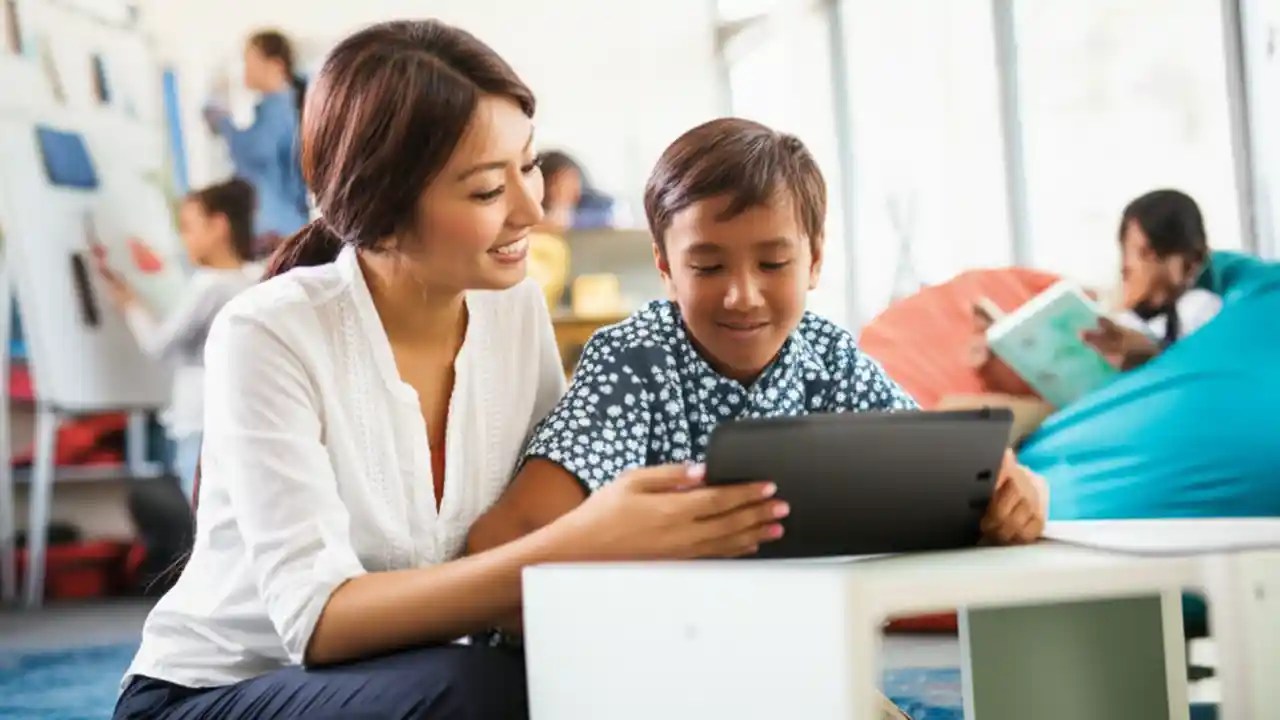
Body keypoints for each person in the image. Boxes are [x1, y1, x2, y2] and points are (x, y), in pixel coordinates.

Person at [114, 21, 787, 720]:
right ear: (384, 211)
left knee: (610, 672)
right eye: (488, 190)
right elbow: (319, 623)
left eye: (528, 165)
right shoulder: (267, 332)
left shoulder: (514, 309)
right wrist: (579, 542)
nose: (531, 209)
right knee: (487, 690)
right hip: (213, 695)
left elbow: (536, 530)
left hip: (410, 677)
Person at [97, 179, 261, 499]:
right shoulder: (251, 279)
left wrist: (129, 303)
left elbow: (158, 345)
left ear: (218, 226)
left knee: (199, 508)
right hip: (234, 417)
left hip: (199, 418)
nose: (183, 239)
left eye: (188, 228)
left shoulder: (211, 285)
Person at [1082, 189, 1222, 370]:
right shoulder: (1124, 323)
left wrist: (1152, 354)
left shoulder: (1198, 309)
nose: (1126, 268)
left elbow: (1206, 371)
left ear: (1190, 261)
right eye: (1126, 251)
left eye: (1145, 253)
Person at [204, 30, 309, 254]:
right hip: (280, 227)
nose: (245, 69)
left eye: (249, 61)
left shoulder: (282, 110)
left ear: (276, 65)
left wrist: (222, 122)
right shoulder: (273, 109)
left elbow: (254, 153)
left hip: (277, 230)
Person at [536, 149, 618, 230]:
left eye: (572, 180)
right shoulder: (537, 208)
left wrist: (568, 218)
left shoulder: (594, 203)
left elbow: (612, 218)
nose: (567, 187)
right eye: (554, 183)